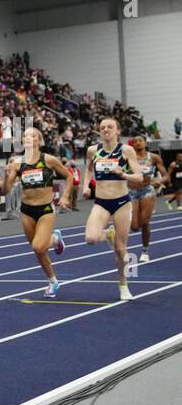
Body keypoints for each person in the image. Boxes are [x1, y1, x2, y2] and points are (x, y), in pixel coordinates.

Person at [1, 127, 72, 297]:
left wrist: (65, 196)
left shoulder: (49, 160)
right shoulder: (17, 163)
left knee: (38, 245)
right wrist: (7, 175)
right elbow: (6, 190)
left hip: (45, 209)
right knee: (38, 251)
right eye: (24, 136)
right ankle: (53, 282)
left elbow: (69, 176)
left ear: (38, 140)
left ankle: (55, 238)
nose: (27, 138)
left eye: (32, 135)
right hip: (26, 210)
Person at [82, 117, 143, 300]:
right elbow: (88, 170)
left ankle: (123, 284)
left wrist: (123, 174)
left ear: (118, 131)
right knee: (91, 238)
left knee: (120, 248)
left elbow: (139, 177)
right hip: (101, 202)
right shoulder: (93, 150)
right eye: (102, 127)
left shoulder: (126, 150)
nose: (106, 129)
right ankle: (108, 233)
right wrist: (85, 186)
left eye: (110, 127)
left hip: (122, 203)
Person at [128, 135, 166, 263]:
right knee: (134, 227)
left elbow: (166, 176)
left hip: (147, 191)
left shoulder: (153, 157)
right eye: (135, 141)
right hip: (131, 191)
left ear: (145, 142)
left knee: (145, 222)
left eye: (140, 140)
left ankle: (145, 251)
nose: (138, 143)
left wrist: (158, 181)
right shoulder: (128, 158)